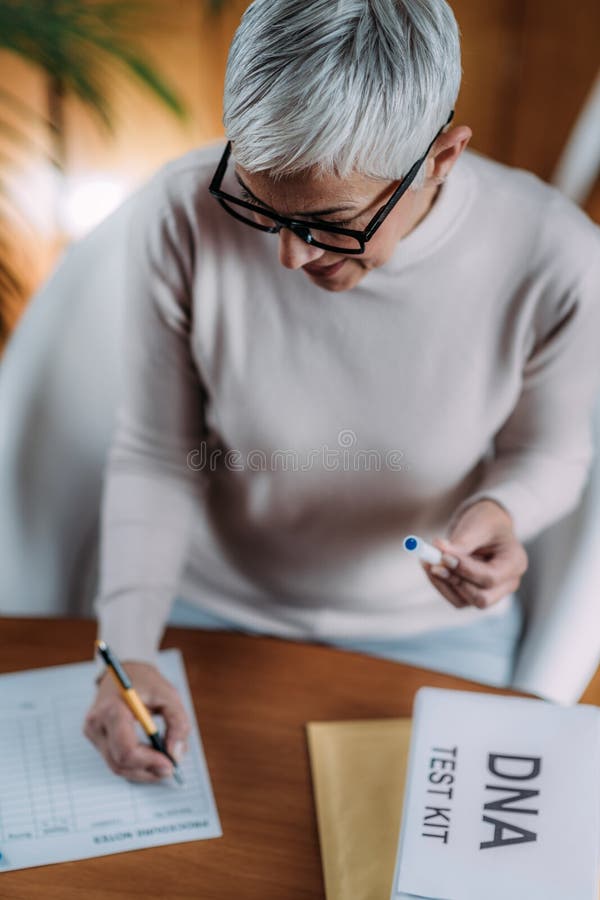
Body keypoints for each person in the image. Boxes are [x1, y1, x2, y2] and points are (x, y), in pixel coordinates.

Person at [83, 0, 600, 783]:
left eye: (331, 222)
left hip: (432, 629)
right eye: (257, 205)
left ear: (443, 157)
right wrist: (127, 652)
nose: (288, 257)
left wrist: (503, 511)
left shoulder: (556, 254)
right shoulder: (181, 213)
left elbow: (553, 449)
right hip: (210, 601)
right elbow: (159, 453)